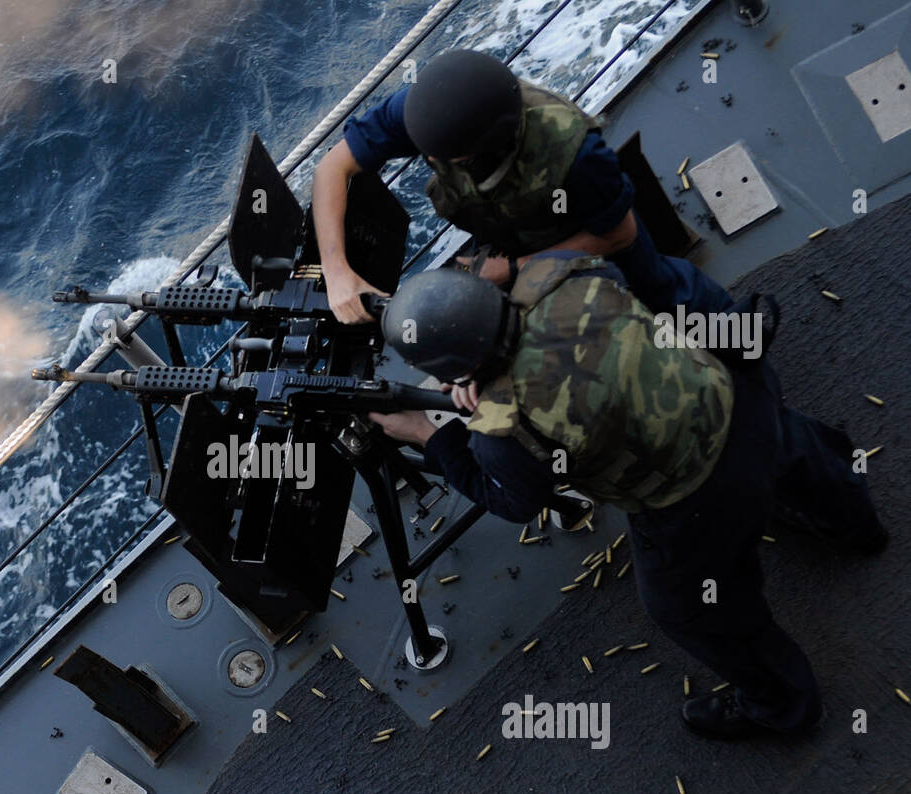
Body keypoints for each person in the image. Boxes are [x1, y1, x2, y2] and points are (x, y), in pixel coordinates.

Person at [366, 255, 886, 738]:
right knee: (796, 452)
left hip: (690, 502)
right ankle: (856, 525)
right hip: (734, 400)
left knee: (689, 611)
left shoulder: (503, 434)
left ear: (454, 370)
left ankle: (783, 707)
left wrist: (430, 436)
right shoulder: (567, 274)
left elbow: (513, 502)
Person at [313, 48, 731, 324]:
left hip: (589, 233)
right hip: (511, 230)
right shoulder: (428, 110)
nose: (431, 161)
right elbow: (332, 168)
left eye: (443, 159)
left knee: (658, 297)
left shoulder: (575, 151)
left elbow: (621, 234)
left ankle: (735, 338)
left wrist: (515, 269)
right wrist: (337, 272)